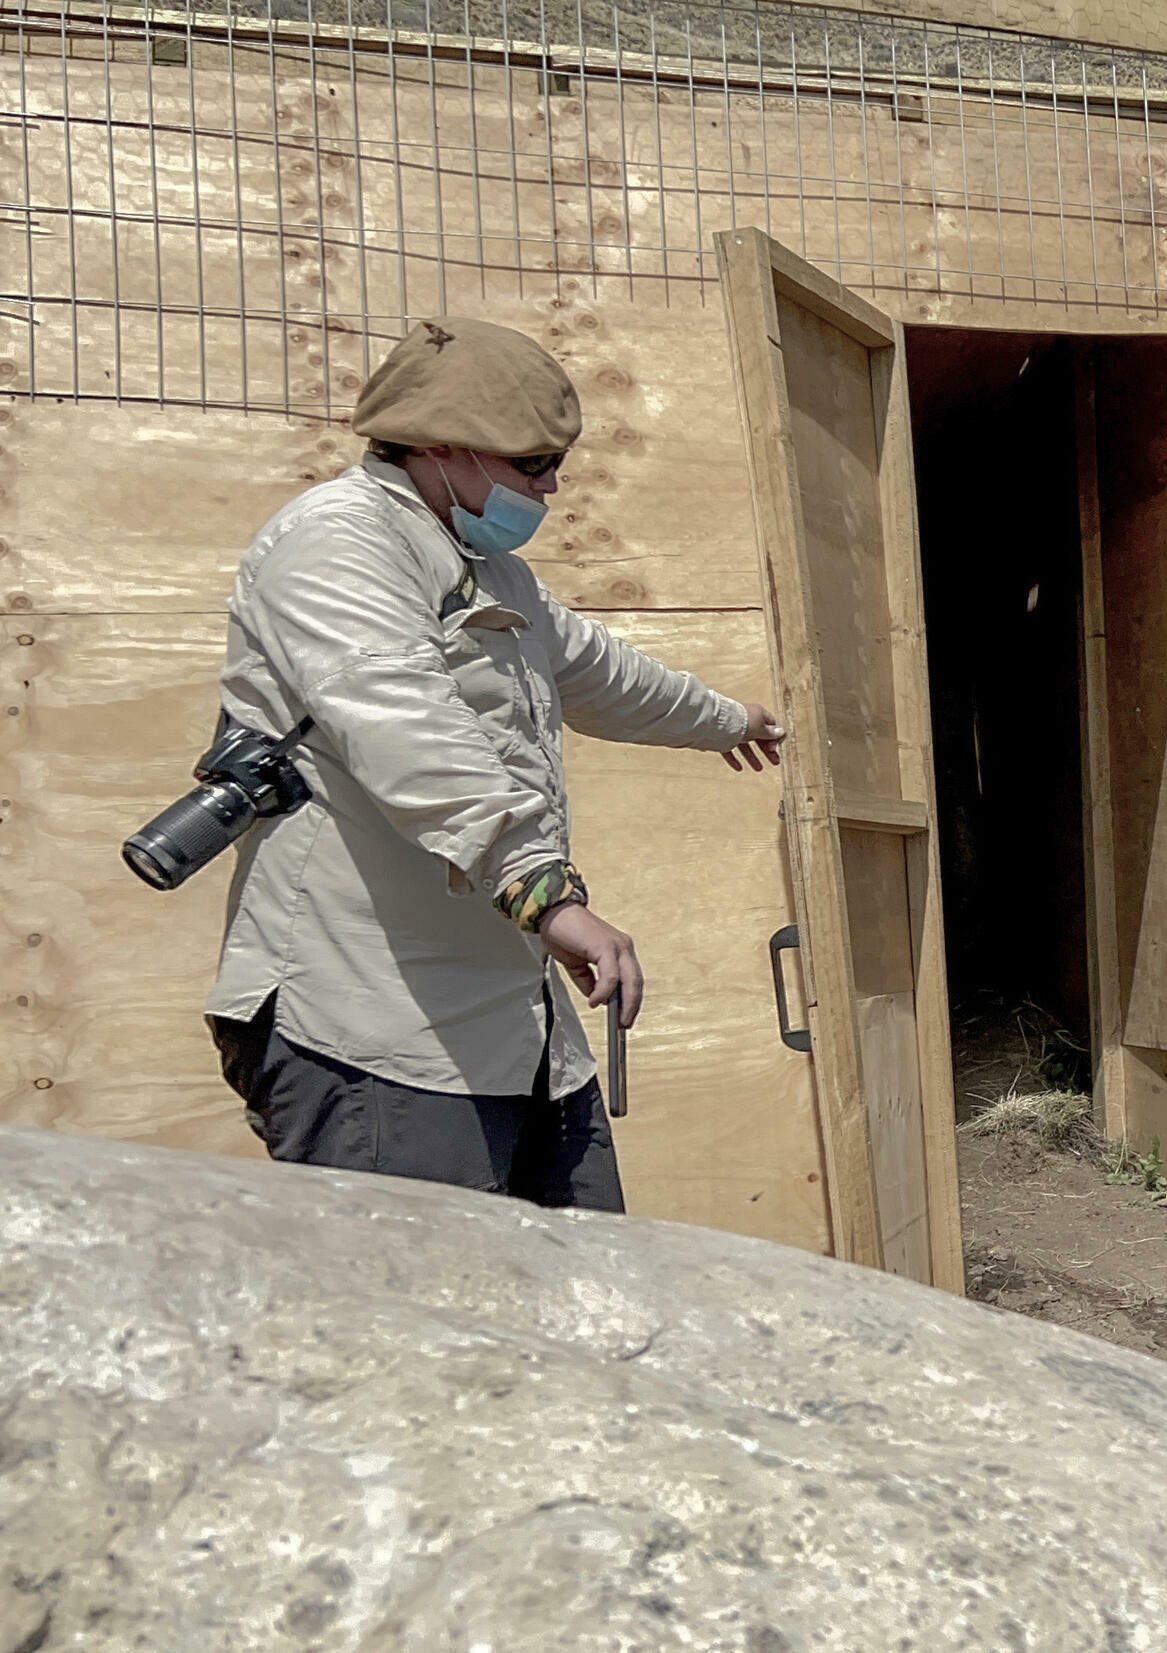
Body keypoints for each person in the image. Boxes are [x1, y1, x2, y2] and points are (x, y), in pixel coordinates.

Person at [203, 317, 787, 1210]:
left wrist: (726, 719)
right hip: (377, 1041)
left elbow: (599, 671)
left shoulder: (484, 567)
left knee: (587, 1313)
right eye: (530, 463)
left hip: (517, 1037)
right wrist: (547, 896)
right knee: (429, 1334)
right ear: (443, 447)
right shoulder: (336, 544)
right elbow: (414, 735)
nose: (550, 485)